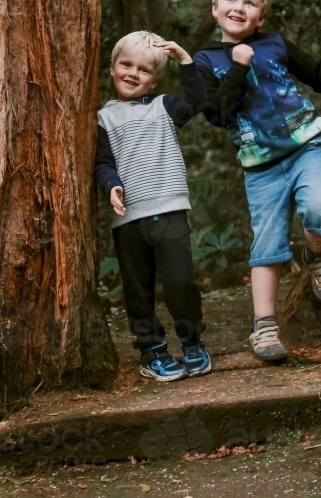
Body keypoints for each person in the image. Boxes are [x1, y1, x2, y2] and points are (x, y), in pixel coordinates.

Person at [194, 0, 321, 362]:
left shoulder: (275, 44)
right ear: (215, 8)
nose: (239, 7)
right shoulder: (205, 59)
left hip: (304, 147)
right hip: (260, 167)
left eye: (250, 3)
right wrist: (239, 66)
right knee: (268, 243)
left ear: (261, 16)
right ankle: (264, 327)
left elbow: (318, 72)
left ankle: (315, 255)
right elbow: (218, 113)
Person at [94, 31, 210, 381]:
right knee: (137, 290)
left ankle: (192, 343)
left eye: (143, 70)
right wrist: (111, 186)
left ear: (154, 79)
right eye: (126, 65)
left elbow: (198, 98)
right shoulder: (103, 118)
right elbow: (102, 163)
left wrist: (185, 60)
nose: (132, 73)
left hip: (170, 209)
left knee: (180, 282)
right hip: (128, 219)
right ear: (112, 68)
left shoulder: (164, 107)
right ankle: (152, 351)